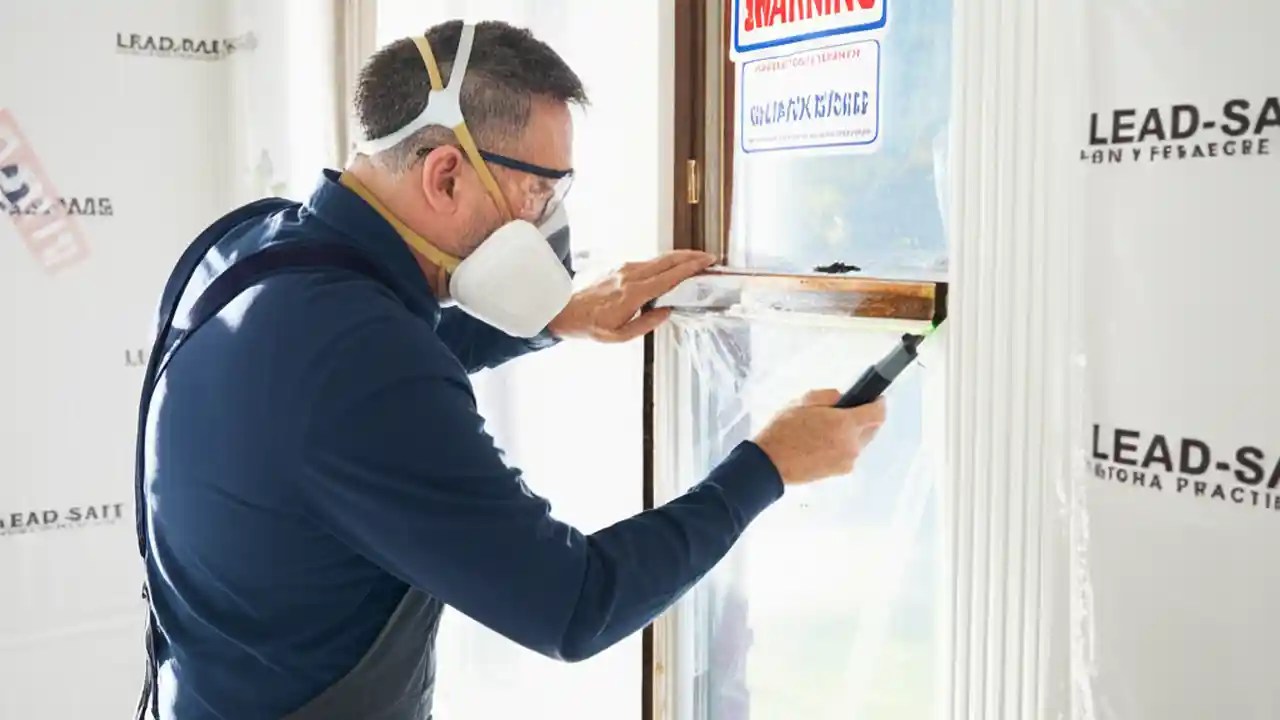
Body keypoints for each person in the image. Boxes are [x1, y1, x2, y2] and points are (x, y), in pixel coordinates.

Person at [132, 19, 887, 720]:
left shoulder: (248, 247)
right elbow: (575, 605)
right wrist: (769, 465)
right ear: (446, 176)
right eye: (538, 191)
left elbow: (347, 397)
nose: (548, 224)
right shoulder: (359, 360)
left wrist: (560, 317)